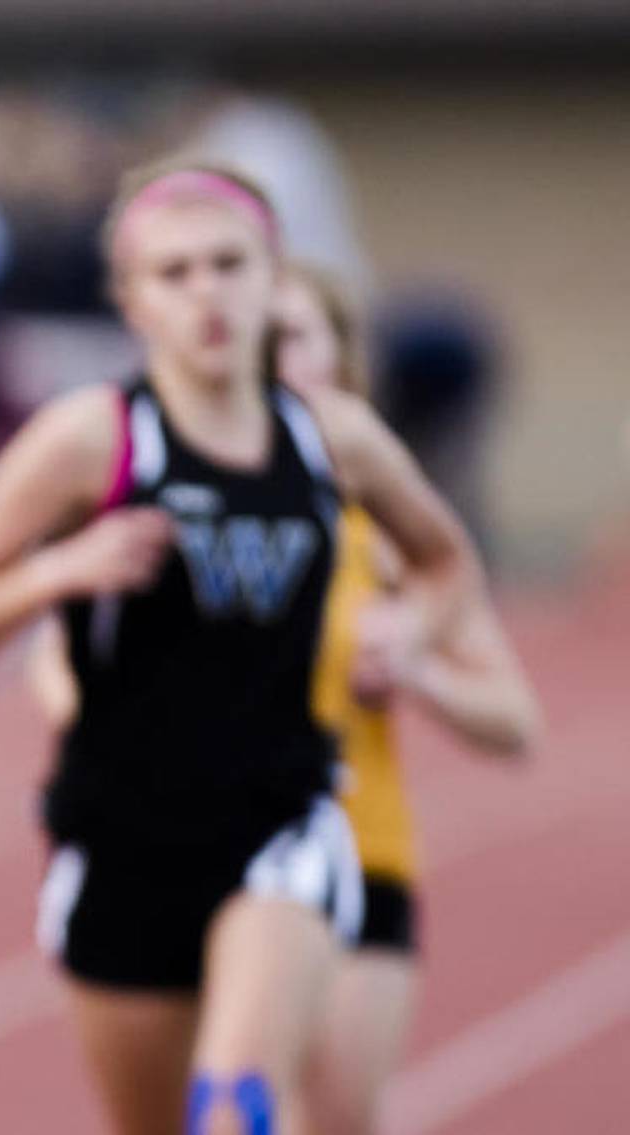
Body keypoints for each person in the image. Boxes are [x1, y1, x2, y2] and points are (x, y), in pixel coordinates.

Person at [0, 161, 480, 1135]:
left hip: (281, 822)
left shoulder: (330, 437)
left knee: (232, 1104)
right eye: (173, 273)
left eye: (227, 264)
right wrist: (60, 570)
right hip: (118, 834)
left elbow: (447, 558)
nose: (206, 293)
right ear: (129, 299)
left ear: (270, 275)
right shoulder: (89, 440)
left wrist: (410, 628)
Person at [274, 262, 540, 1135]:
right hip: (202, 853)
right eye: (254, 340)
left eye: (294, 340)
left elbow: (514, 720)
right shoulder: (167, 507)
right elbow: (63, 663)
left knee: (339, 1120)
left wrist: (417, 665)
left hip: (359, 859)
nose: (270, 361)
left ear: (342, 364)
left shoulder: (388, 530)